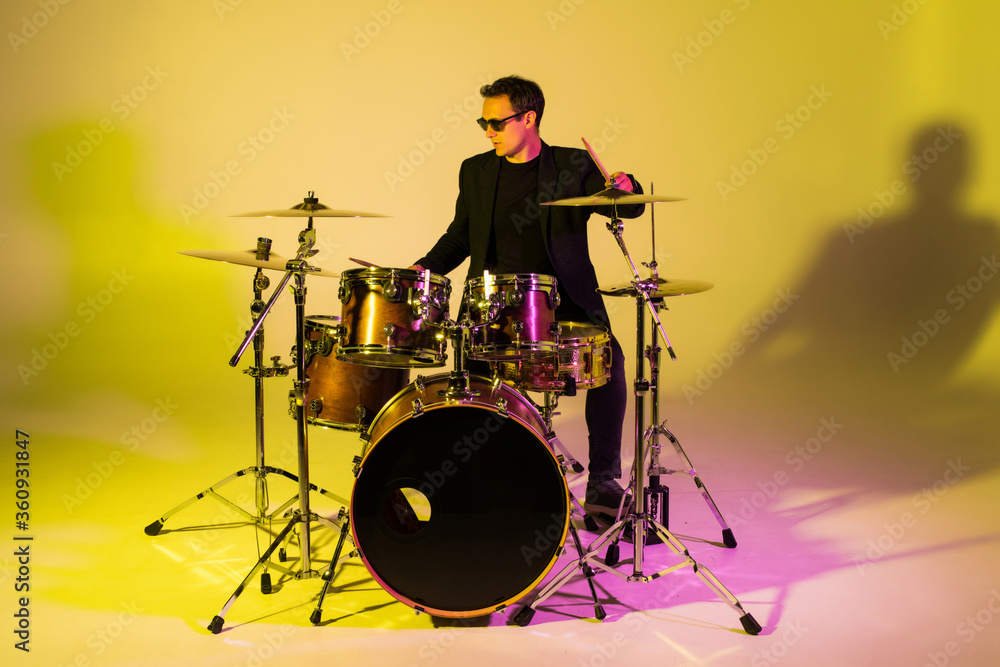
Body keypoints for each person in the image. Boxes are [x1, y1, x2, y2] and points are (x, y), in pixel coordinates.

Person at [412, 75, 645, 522]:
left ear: (529, 118)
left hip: (565, 301)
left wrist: (626, 184)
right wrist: (425, 268)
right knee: (473, 388)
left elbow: (625, 206)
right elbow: (460, 235)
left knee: (609, 361)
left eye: (496, 123)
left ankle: (603, 481)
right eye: (483, 123)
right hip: (494, 306)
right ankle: (488, 480)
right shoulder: (475, 171)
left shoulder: (572, 165)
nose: (488, 132)